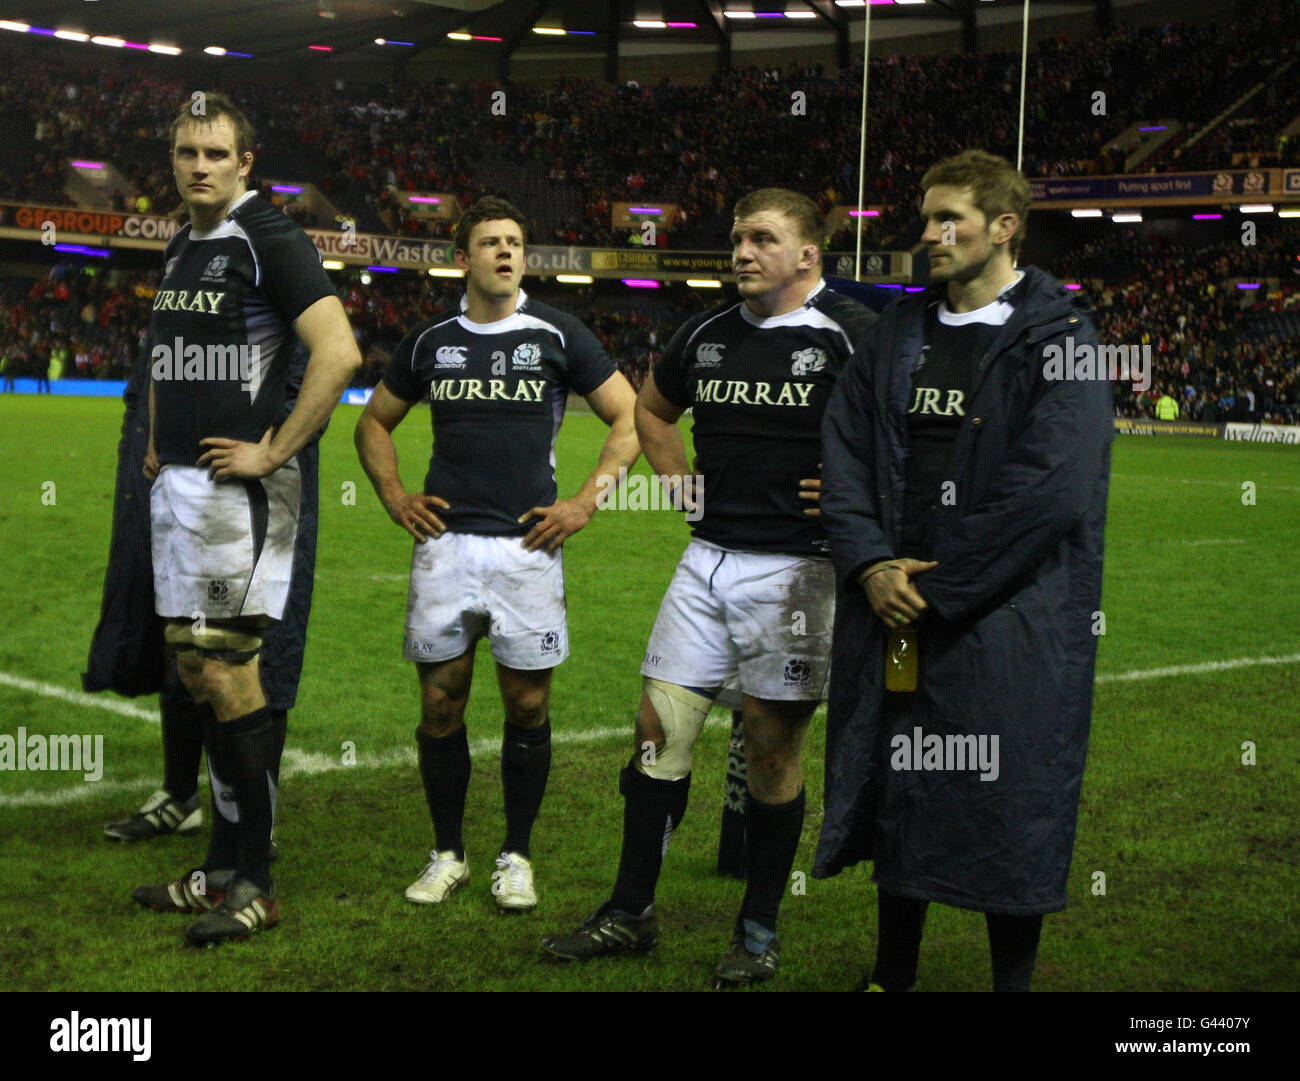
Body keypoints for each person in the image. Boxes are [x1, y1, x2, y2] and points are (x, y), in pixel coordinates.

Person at [541, 189, 875, 986]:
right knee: (657, 735)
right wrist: (680, 485)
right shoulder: (705, 332)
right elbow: (653, 416)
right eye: (736, 237)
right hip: (708, 560)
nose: (742, 251)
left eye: (763, 238)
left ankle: (758, 930)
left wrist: (860, 492)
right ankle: (630, 911)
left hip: (803, 570)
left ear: (808, 256)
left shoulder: (855, 334)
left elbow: (918, 429)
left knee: (769, 743)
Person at [814, 149, 1113, 991]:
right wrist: (873, 563)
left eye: (952, 220)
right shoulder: (895, 335)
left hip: (1009, 619)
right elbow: (842, 453)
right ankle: (890, 976)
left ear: (1005, 229)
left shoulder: (1067, 340)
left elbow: (1051, 492)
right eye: (926, 218)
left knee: (1006, 796)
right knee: (903, 784)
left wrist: (931, 590)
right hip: (895, 612)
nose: (931, 235)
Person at [354, 196, 639, 914]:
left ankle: (517, 854)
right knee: (441, 701)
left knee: (527, 702)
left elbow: (631, 416)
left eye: (514, 241)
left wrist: (584, 501)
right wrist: (393, 497)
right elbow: (373, 423)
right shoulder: (430, 342)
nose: (506, 252)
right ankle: (447, 852)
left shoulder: (557, 333)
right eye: (490, 242)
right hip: (445, 548)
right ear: (465, 256)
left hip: (526, 549)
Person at [128, 91, 360, 946]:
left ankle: (255, 881)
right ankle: (219, 868)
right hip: (181, 487)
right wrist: (158, 439)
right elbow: (165, 351)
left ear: (245, 162)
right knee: (194, 673)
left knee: (230, 674)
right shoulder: (186, 241)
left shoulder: (269, 236)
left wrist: (274, 451)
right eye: (187, 152)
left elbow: (339, 352)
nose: (199, 166)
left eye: (215, 154)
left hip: (242, 497)